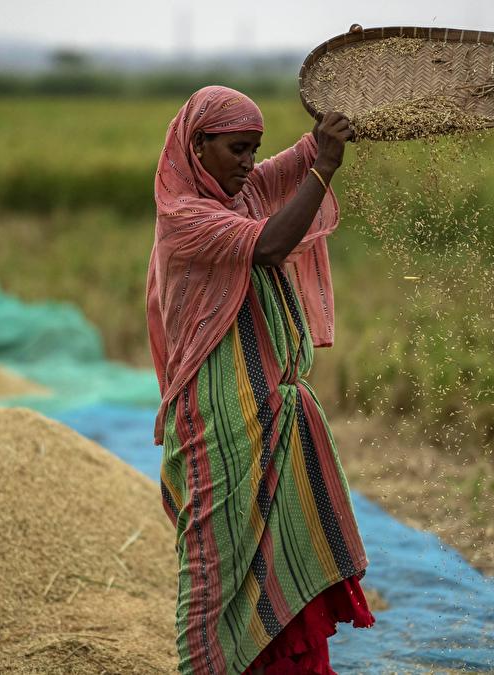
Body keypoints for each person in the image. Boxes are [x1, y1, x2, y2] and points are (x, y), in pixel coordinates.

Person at [146, 85, 373, 675]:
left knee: (277, 552)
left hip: (267, 408)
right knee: (214, 565)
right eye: (237, 150)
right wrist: (323, 167)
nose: (249, 164)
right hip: (217, 418)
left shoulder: (239, 194)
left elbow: (297, 162)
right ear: (199, 147)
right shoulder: (187, 219)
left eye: (254, 150)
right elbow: (272, 245)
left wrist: (346, 111)